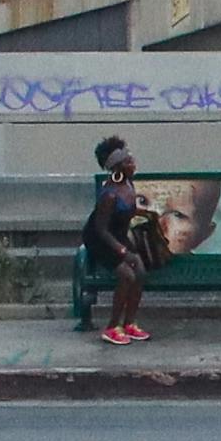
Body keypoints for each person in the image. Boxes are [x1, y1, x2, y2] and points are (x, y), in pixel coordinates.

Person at [77, 135, 162, 345]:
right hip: (100, 239)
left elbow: (127, 212)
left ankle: (129, 323)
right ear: (117, 167)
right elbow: (100, 228)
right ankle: (111, 326)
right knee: (126, 275)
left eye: (131, 160)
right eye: (128, 162)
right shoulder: (110, 194)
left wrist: (148, 214)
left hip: (119, 235)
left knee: (140, 271)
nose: (133, 164)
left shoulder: (128, 185)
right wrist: (121, 251)